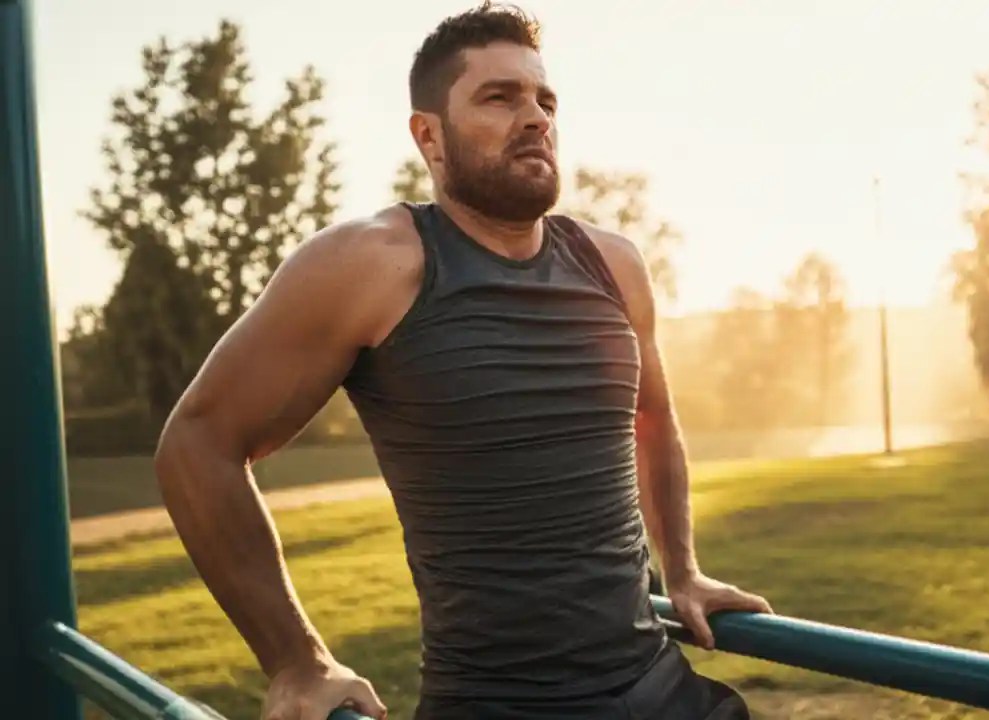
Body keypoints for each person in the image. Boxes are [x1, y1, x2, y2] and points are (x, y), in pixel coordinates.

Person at [153, 3, 773, 719]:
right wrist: (297, 662)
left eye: (545, 100)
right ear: (429, 135)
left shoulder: (614, 265)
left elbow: (652, 416)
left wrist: (684, 570)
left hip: (658, 692)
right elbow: (197, 444)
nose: (536, 117)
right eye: (499, 97)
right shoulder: (372, 264)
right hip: (494, 703)